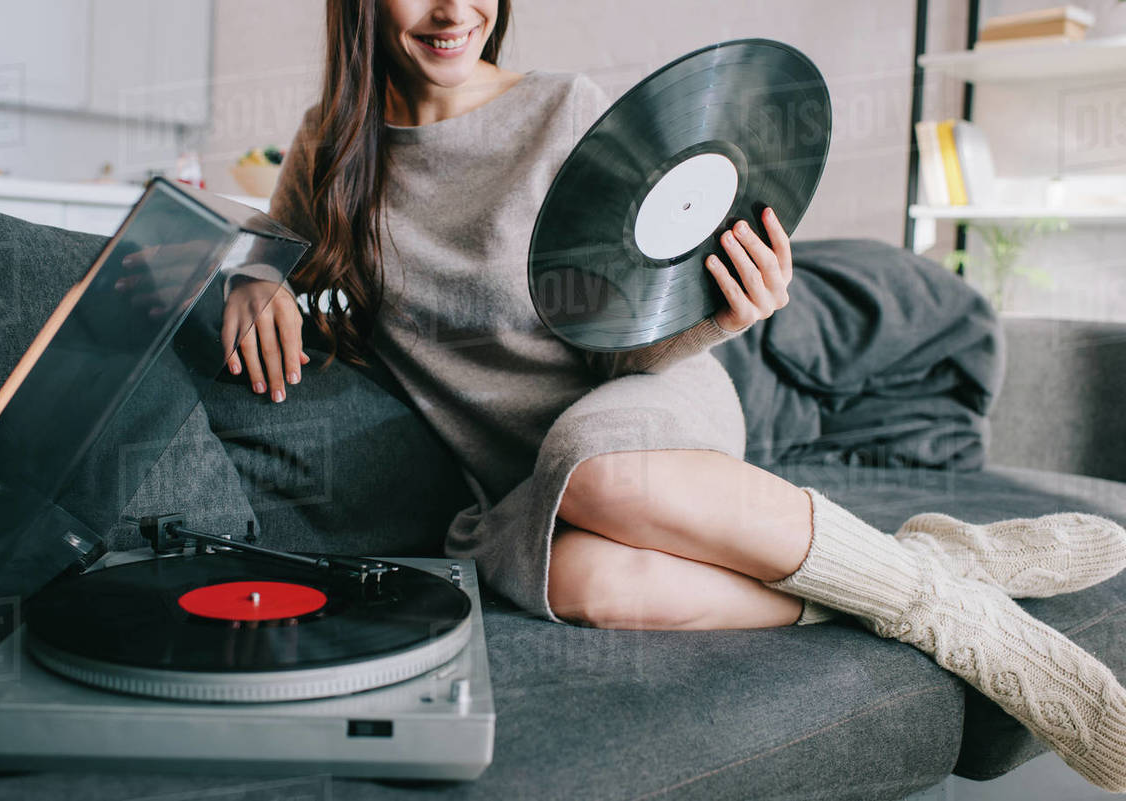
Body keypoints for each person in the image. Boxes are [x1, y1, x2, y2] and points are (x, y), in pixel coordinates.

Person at [221, 0, 1126, 790]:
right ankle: (926, 565)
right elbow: (264, 239)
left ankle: (956, 621)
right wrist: (255, 279)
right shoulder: (334, 146)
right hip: (521, 477)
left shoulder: (564, 109)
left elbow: (634, 332)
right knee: (583, 579)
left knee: (600, 472)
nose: (455, 10)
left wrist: (729, 313)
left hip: (644, 399)